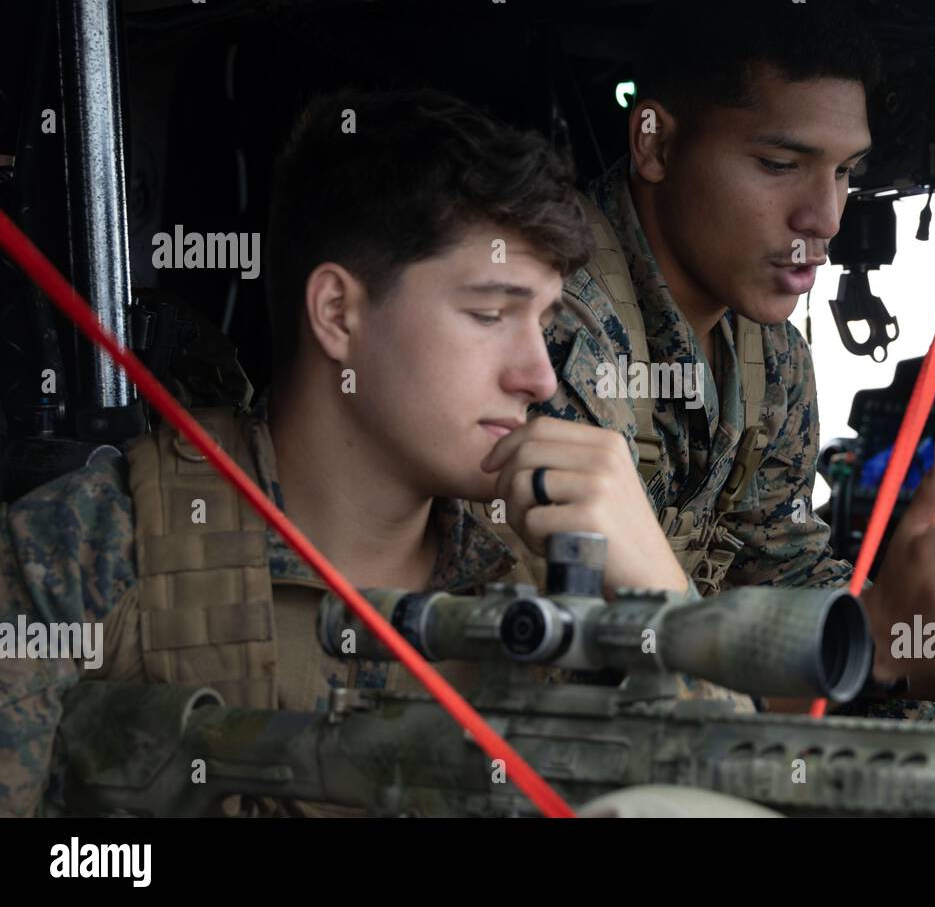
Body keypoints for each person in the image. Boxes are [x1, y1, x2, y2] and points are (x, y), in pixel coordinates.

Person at [0, 86, 696, 816]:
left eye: (544, 323)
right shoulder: (90, 549)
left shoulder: (556, 572)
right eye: (490, 313)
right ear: (338, 313)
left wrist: (663, 597)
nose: (540, 375)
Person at [478, 0, 935, 720]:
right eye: (779, 165)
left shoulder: (771, 353)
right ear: (655, 143)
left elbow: (778, 572)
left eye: (846, 172)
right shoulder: (553, 329)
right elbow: (584, 673)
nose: (825, 217)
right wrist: (876, 654)